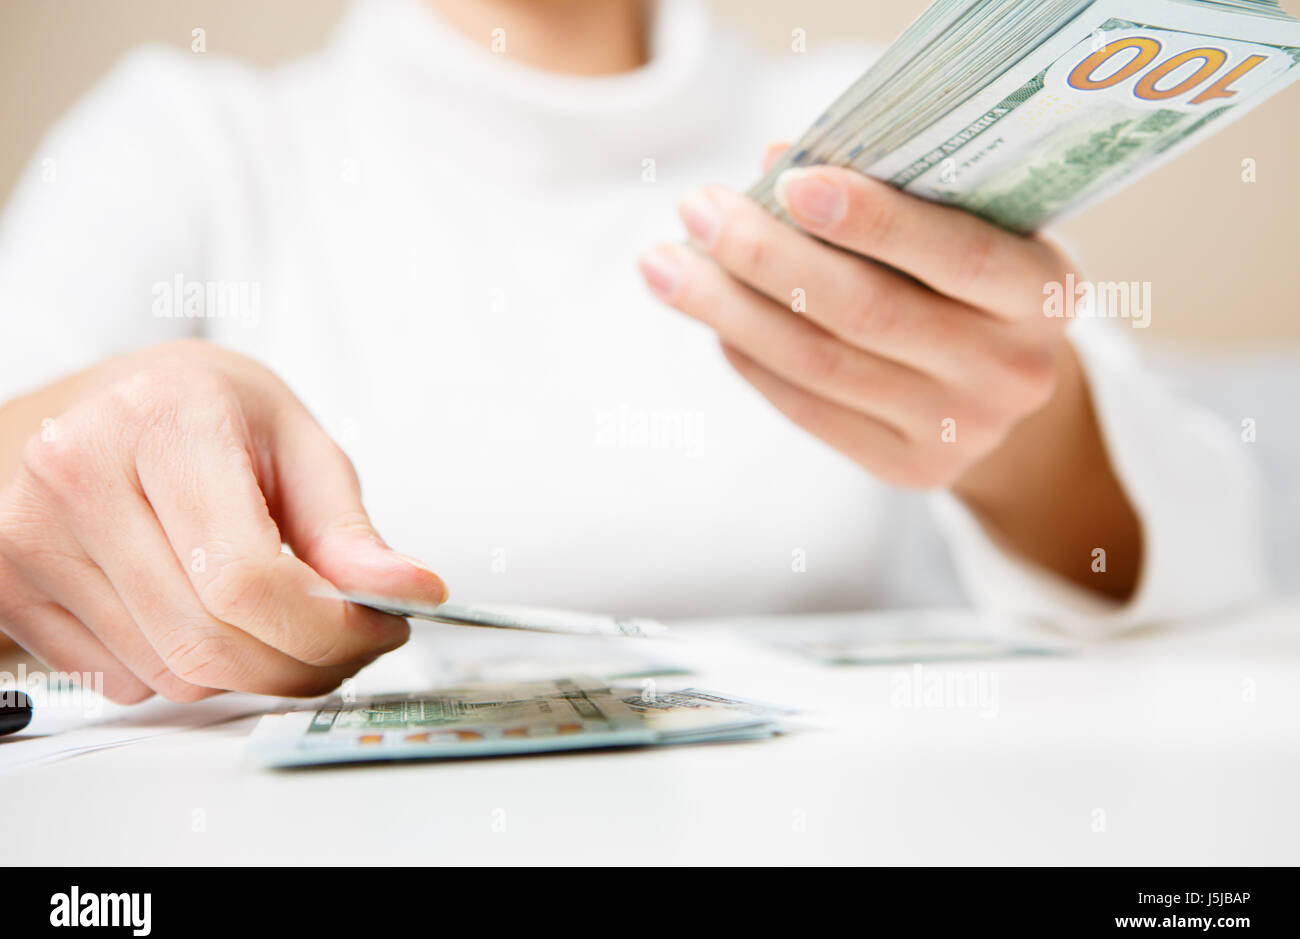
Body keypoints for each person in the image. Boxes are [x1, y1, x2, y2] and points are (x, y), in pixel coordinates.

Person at [0, 0, 1263, 704]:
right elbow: (21, 438)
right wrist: (68, 449)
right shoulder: (192, 136)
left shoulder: (846, 127)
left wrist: (1020, 427)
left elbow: (1211, 561)